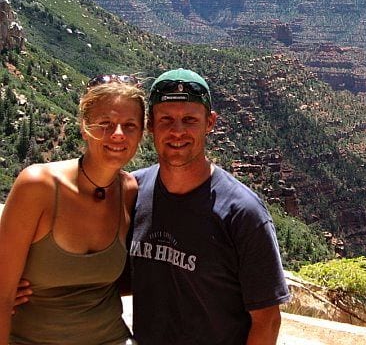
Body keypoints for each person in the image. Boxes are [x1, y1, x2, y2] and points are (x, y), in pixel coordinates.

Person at [128, 68, 290, 345]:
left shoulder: (242, 212)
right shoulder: (132, 191)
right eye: (166, 119)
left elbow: (267, 319)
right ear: (151, 125)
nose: (177, 131)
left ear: (210, 123)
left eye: (189, 119)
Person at [0, 74, 145, 345]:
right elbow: (2, 296)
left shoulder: (129, 192)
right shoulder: (39, 187)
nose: (117, 134)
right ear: (84, 126)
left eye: (129, 125)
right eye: (105, 124)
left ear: (141, 133)